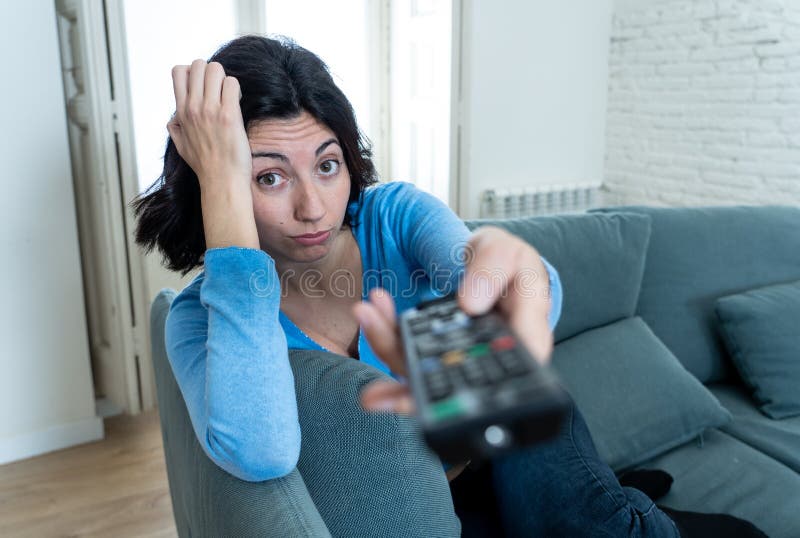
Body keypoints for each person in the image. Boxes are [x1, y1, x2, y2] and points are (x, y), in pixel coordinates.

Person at [132, 35, 766, 537]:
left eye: (327, 166)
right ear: (217, 193)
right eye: (268, 178)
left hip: (516, 450)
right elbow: (262, 452)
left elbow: (517, 299)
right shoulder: (202, 320)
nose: (313, 208)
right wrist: (224, 199)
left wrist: (515, 279)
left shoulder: (396, 216)